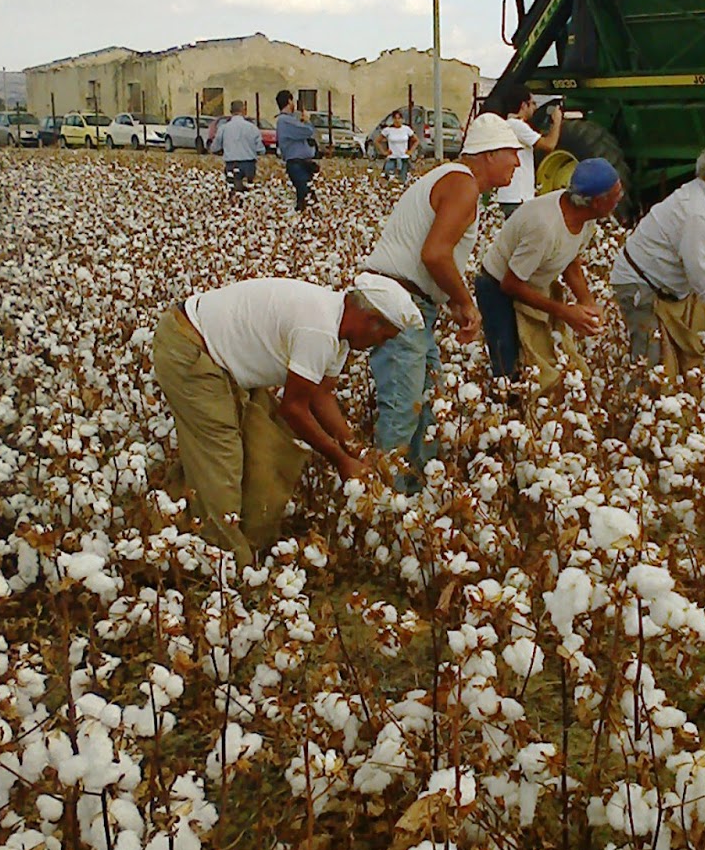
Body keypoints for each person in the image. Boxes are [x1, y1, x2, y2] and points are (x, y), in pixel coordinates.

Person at [152, 274, 422, 570]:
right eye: (384, 337)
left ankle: (171, 522)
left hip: (213, 354)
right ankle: (223, 569)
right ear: (370, 319)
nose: (378, 345)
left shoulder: (336, 330)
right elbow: (294, 409)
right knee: (221, 460)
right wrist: (340, 460)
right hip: (191, 349)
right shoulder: (319, 329)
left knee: (246, 446)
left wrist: (355, 449)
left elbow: (321, 395)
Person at [361, 112, 524, 473]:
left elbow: (432, 256)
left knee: (428, 402)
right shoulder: (462, 185)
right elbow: (435, 253)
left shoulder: (450, 180)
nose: (517, 162)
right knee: (405, 411)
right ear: (489, 154)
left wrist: (449, 299)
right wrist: (466, 303)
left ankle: (415, 495)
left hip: (406, 301)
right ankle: (385, 503)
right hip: (399, 305)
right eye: (512, 153)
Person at [610, 142, 705, 385]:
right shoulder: (696, 212)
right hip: (640, 285)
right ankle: (638, 416)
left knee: (687, 361)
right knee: (652, 368)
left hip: (667, 287)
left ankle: (680, 415)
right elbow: (699, 273)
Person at [475, 158, 622, 391]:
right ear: (596, 202)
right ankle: (510, 412)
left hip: (531, 283)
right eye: (616, 194)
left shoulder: (585, 219)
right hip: (496, 288)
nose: (620, 198)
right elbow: (510, 284)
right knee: (509, 364)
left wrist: (586, 302)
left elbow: (571, 261)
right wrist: (565, 312)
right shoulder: (544, 226)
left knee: (540, 358)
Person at [483, 84, 564, 217]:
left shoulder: (507, 124)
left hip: (511, 196)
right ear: (523, 105)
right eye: (532, 103)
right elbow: (549, 145)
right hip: (518, 197)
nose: (535, 107)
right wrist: (557, 122)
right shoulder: (517, 126)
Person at [274, 90, 319, 211]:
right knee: (307, 196)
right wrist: (308, 120)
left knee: (305, 197)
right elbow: (307, 132)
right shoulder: (285, 121)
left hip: (302, 163)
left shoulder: (290, 120)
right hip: (297, 164)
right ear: (289, 101)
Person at [211, 101, 263, 198]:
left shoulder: (223, 128)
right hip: (249, 164)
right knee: (249, 194)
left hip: (231, 163)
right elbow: (260, 149)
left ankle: (234, 206)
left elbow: (215, 147)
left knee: (233, 191)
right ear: (244, 110)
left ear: (231, 111)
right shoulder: (252, 128)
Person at [377, 110, 419, 184]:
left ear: (402, 119)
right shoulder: (388, 130)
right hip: (392, 157)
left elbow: (416, 140)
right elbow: (377, 141)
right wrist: (384, 152)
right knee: (388, 175)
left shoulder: (406, 129)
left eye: (399, 118)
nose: (397, 121)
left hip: (404, 158)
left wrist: (410, 151)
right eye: (395, 118)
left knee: (403, 178)